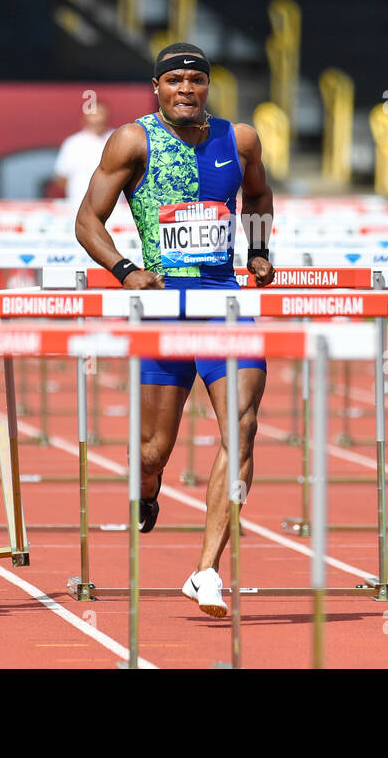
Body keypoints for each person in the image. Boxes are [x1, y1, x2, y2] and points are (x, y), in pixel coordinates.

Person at [75, 42, 275, 617]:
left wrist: (259, 249)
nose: (186, 89)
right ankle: (147, 489)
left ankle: (207, 570)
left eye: (196, 80)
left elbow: (258, 192)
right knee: (151, 449)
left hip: (225, 302)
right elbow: (88, 219)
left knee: (242, 428)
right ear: (156, 88)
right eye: (175, 81)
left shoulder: (239, 139)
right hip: (161, 305)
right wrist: (124, 271)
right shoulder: (132, 141)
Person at [51, 101, 112, 204]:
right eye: (93, 114)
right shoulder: (73, 143)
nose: (97, 119)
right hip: (78, 205)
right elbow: (61, 177)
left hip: (114, 207)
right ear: (85, 118)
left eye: (100, 114)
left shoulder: (117, 139)